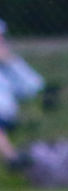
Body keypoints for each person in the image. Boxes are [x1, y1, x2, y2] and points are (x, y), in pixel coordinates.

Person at [0, 19, 46, 172]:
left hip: (6, 115)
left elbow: (33, 86)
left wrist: (11, 63)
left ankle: (12, 157)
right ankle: (12, 157)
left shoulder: (11, 63)